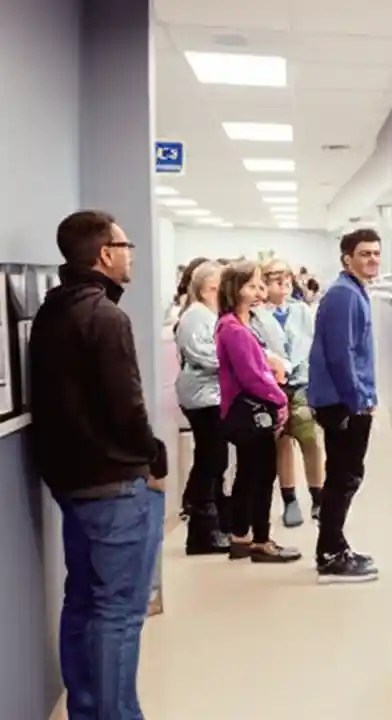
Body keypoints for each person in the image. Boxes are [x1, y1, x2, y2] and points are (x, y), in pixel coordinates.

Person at [29, 210, 168, 719]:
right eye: (126, 245)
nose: (131, 254)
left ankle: (87, 710)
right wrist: (153, 456)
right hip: (114, 486)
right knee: (119, 614)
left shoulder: (53, 309)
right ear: (106, 254)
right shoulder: (106, 317)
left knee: (83, 600)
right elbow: (125, 406)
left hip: (73, 482)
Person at [309, 229, 382, 583]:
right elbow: (341, 355)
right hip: (343, 403)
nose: (372, 259)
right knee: (344, 477)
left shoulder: (352, 292)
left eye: (376, 253)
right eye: (365, 253)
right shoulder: (344, 296)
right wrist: (358, 403)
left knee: (345, 475)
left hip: (346, 400)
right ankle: (331, 553)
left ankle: (335, 545)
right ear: (347, 258)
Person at [215, 260, 300, 563]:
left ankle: (241, 537)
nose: (259, 292)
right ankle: (260, 541)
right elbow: (252, 376)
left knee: (248, 475)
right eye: (251, 286)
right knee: (261, 476)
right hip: (249, 413)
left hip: (241, 410)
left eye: (259, 285)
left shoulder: (239, 325)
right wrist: (280, 399)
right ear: (234, 290)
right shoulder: (234, 330)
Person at [253, 259, 323, 526]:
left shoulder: (302, 310)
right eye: (274, 278)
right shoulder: (257, 314)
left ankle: (318, 497)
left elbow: (312, 343)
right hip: (274, 386)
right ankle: (290, 500)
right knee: (282, 442)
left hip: (303, 382)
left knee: (311, 440)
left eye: (286, 277)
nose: (282, 282)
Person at [175, 259, 232, 554]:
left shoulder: (211, 315)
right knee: (210, 461)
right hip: (203, 399)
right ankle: (203, 531)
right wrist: (237, 359)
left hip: (213, 396)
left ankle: (217, 522)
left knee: (215, 460)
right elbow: (205, 355)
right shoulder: (196, 316)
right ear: (209, 288)